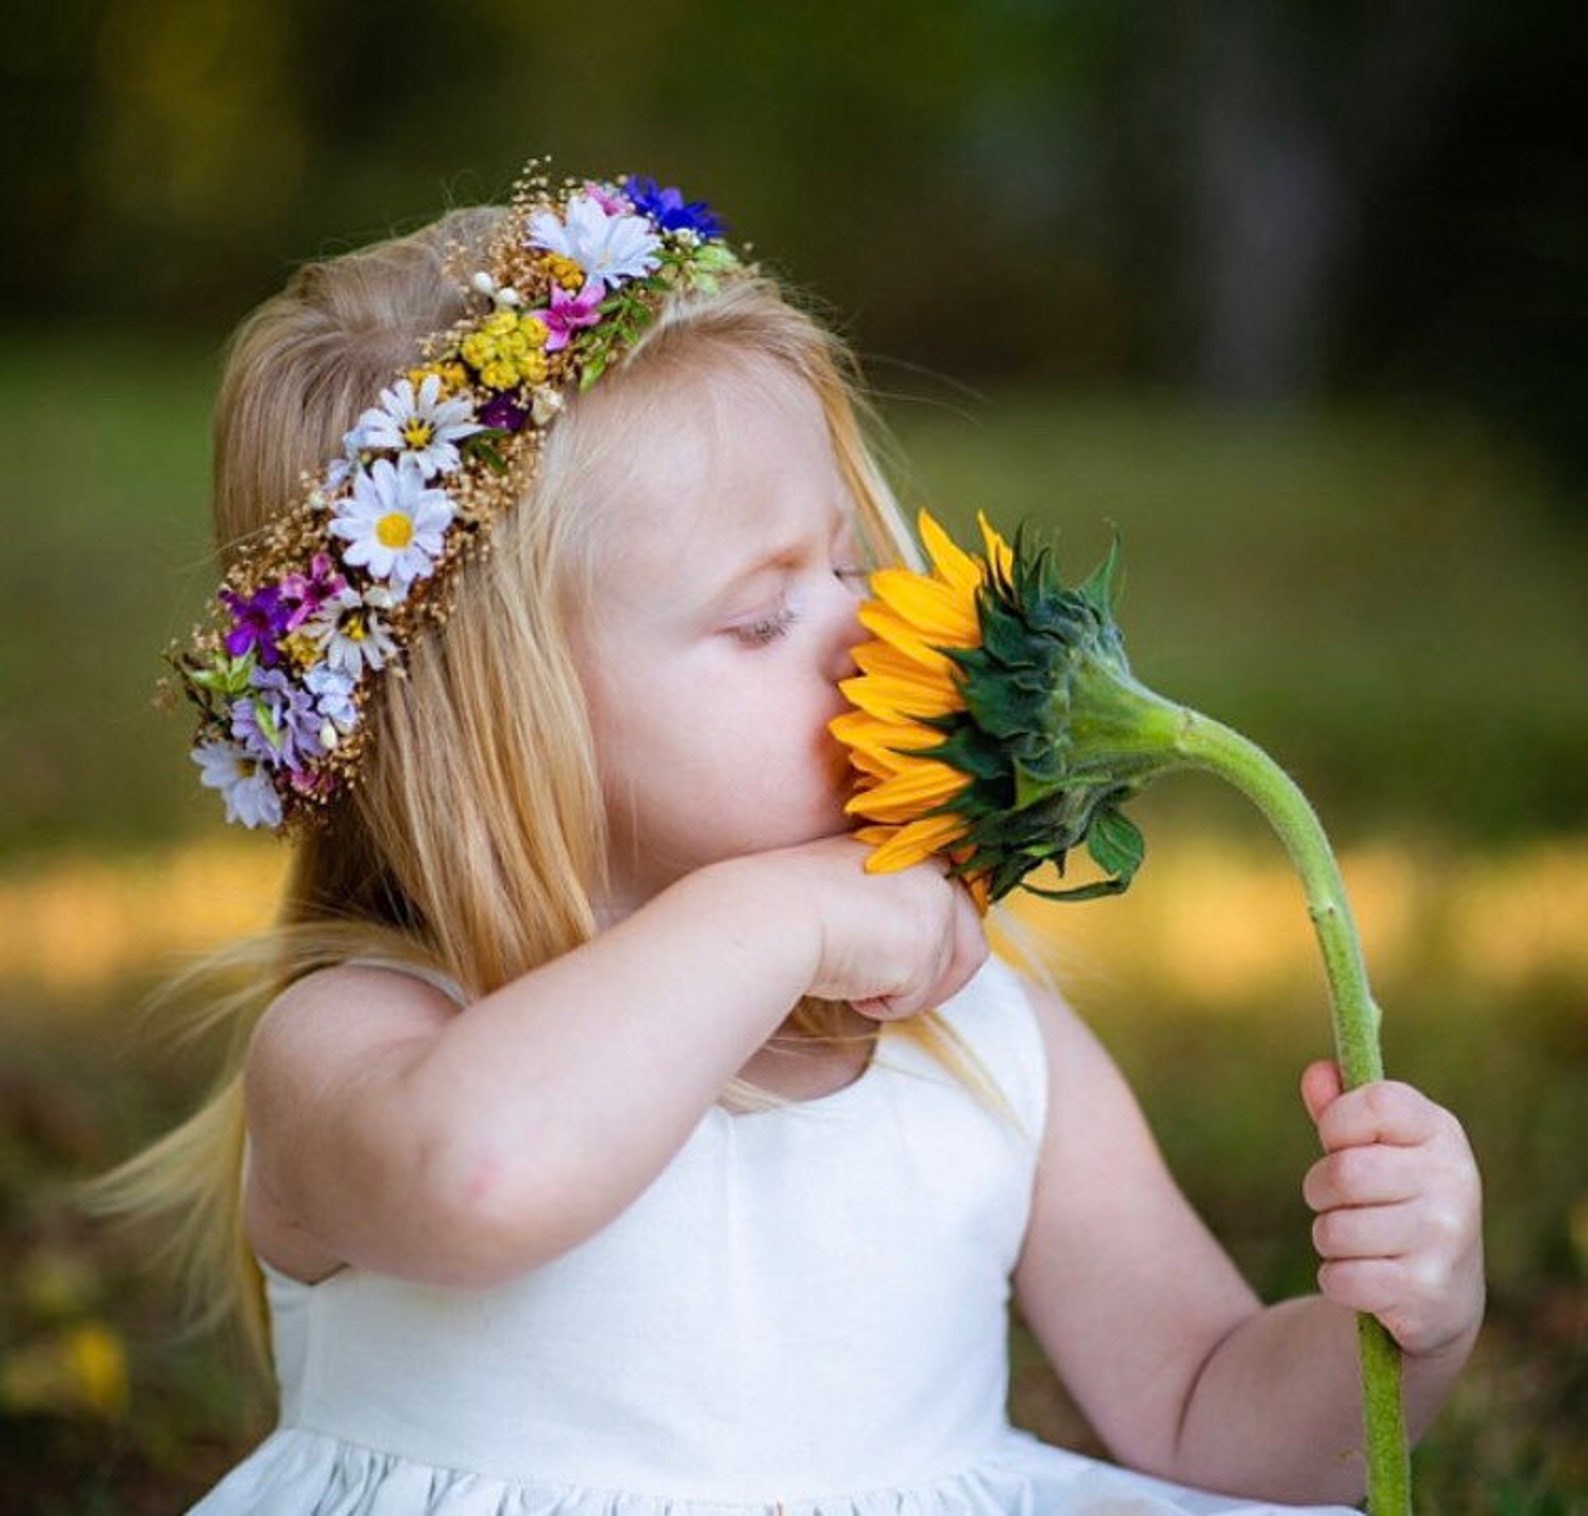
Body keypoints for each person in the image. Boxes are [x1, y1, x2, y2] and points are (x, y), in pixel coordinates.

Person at [104, 164, 1484, 1514]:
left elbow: (1207, 1410)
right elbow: (483, 1180)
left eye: (848, 564)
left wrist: (1403, 1328)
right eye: (763, 618)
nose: (865, 631)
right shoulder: (361, 1046)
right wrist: (777, 919)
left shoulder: (982, 1039)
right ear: (500, 729)